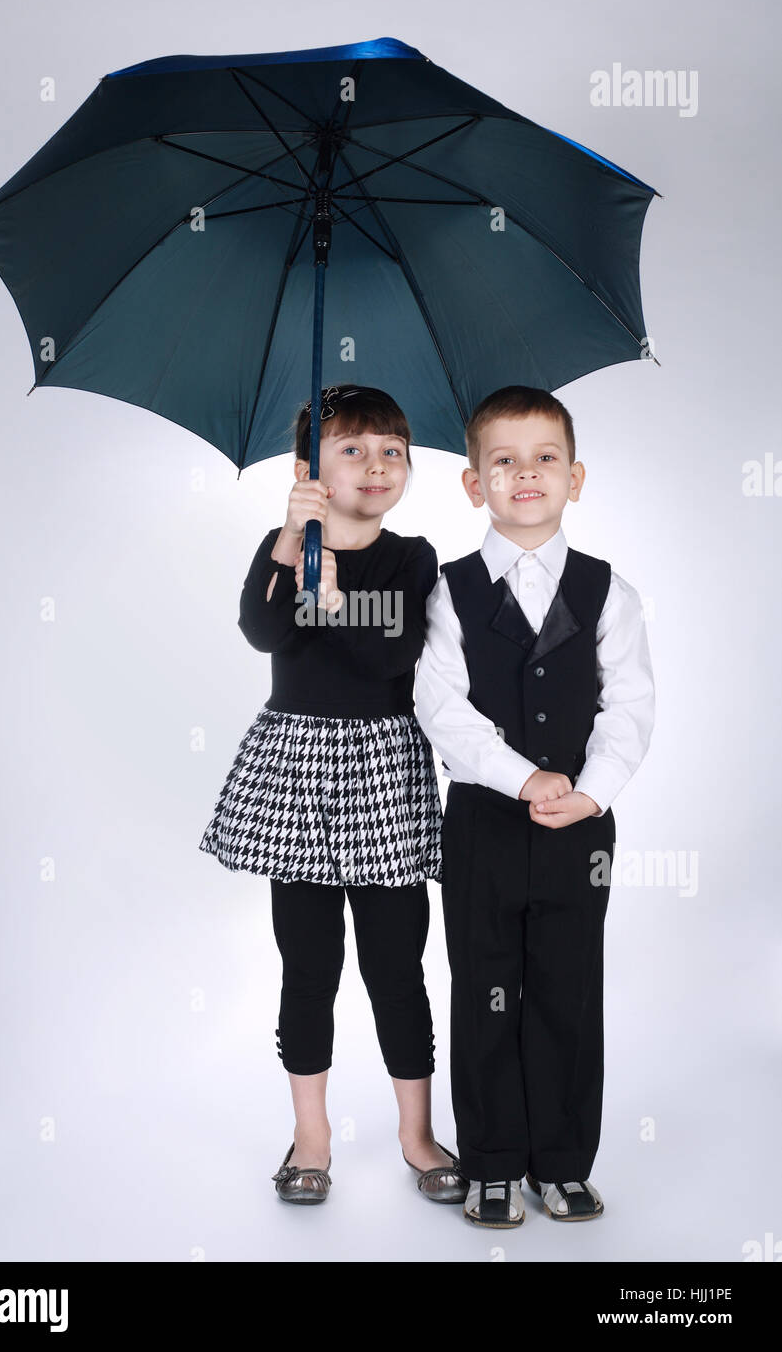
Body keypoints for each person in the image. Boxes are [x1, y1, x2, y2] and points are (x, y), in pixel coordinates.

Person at [200, 384, 468, 1207]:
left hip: (383, 767)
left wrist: (338, 601)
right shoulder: (284, 547)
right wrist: (291, 541)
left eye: (392, 451)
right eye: (351, 449)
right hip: (298, 770)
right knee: (308, 965)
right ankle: (310, 1135)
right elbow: (261, 630)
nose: (376, 465)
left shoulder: (411, 557)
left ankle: (416, 1133)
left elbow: (395, 652)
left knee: (396, 965)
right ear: (306, 470)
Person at [415, 385, 655, 1228]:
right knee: (483, 989)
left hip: (578, 832)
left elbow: (629, 706)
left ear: (574, 478)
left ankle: (560, 1162)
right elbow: (440, 705)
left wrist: (590, 791)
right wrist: (520, 777)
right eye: (504, 461)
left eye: (544, 458)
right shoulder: (448, 592)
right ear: (473, 484)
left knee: (566, 990)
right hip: (481, 825)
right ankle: (489, 1161)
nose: (526, 473)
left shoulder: (607, 592)